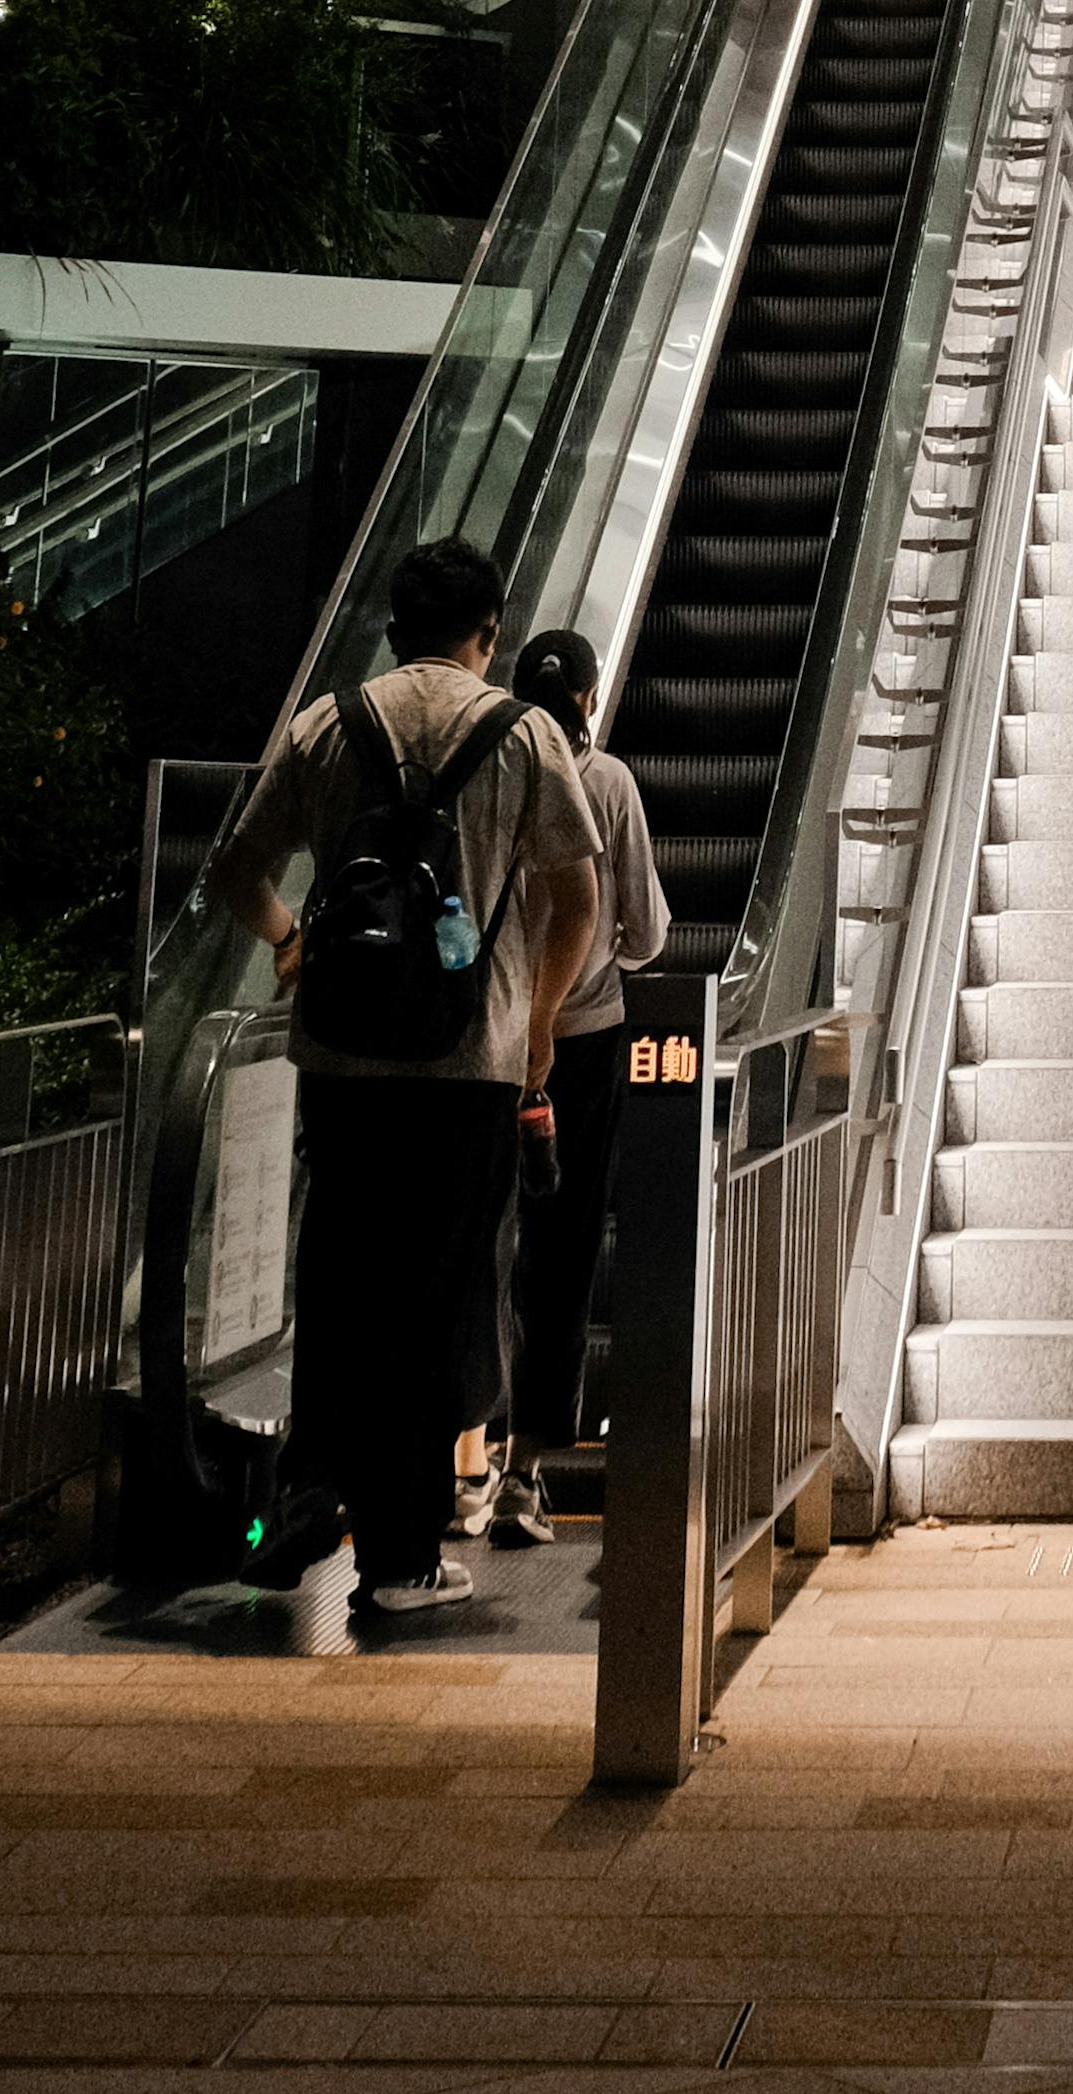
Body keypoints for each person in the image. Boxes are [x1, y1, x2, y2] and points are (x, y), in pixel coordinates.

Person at [215, 534, 601, 1617]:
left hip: (341, 1058)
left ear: (392, 628)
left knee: (340, 1273)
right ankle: (400, 1553)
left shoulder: (328, 723)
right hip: (467, 1063)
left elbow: (233, 871)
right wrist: (538, 1027)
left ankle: (310, 1482)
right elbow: (576, 901)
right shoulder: (525, 734)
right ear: (490, 636)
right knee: (441, 1291)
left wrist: (293, 941)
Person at [484, 628, 667, 1548]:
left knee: (475, 1240)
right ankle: (524, 1473)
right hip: (581, 1049)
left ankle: (450, 1460)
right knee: (559, 1256)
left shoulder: (491, 776)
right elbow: (648, 933)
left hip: (479, 1047)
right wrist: (598, 969)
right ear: (590, 698)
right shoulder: (609, 784)